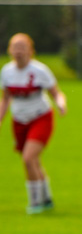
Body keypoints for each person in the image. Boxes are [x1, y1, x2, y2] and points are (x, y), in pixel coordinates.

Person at [0, 33, 67, 215]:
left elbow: (56, 93)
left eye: (23, 47)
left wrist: (61, 104)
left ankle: (35, 203)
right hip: (19, 121)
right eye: (15, 47)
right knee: (33, 161)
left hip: (41, 117)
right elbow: (5, 99)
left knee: (28, 158)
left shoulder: (40, 71)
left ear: (31, 50)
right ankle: (47, 199)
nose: (19, 51)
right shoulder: (6, 72)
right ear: (9, 50)